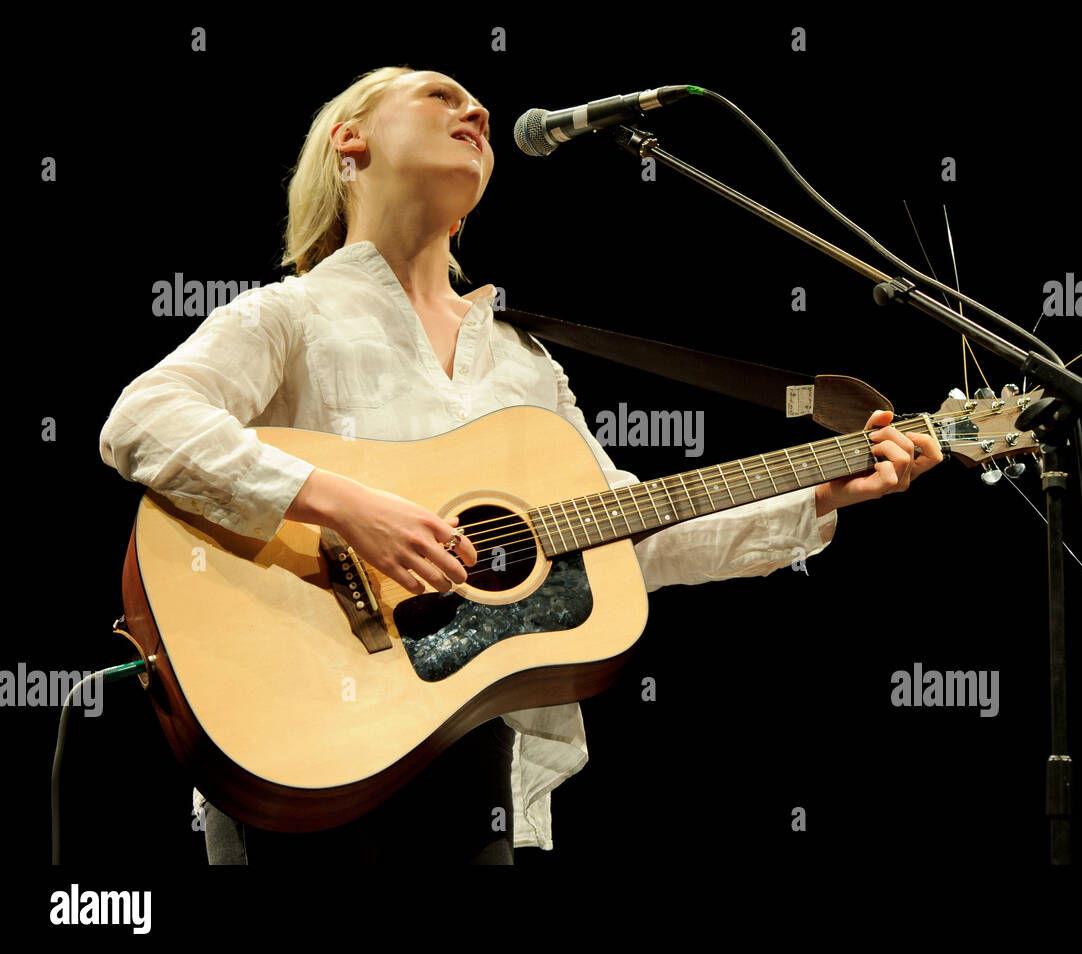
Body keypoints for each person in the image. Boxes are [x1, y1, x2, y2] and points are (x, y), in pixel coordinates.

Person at [99, 66, 943, 865]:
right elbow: (143, 421)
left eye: (478, 108)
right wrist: (348, 507)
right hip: (301, 727)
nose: (477, 113)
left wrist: (816, 494)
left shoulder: (525, 360)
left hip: (475, 756)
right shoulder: (290, 315)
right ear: (349, 141)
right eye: (441, 96)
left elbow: (630, 535)